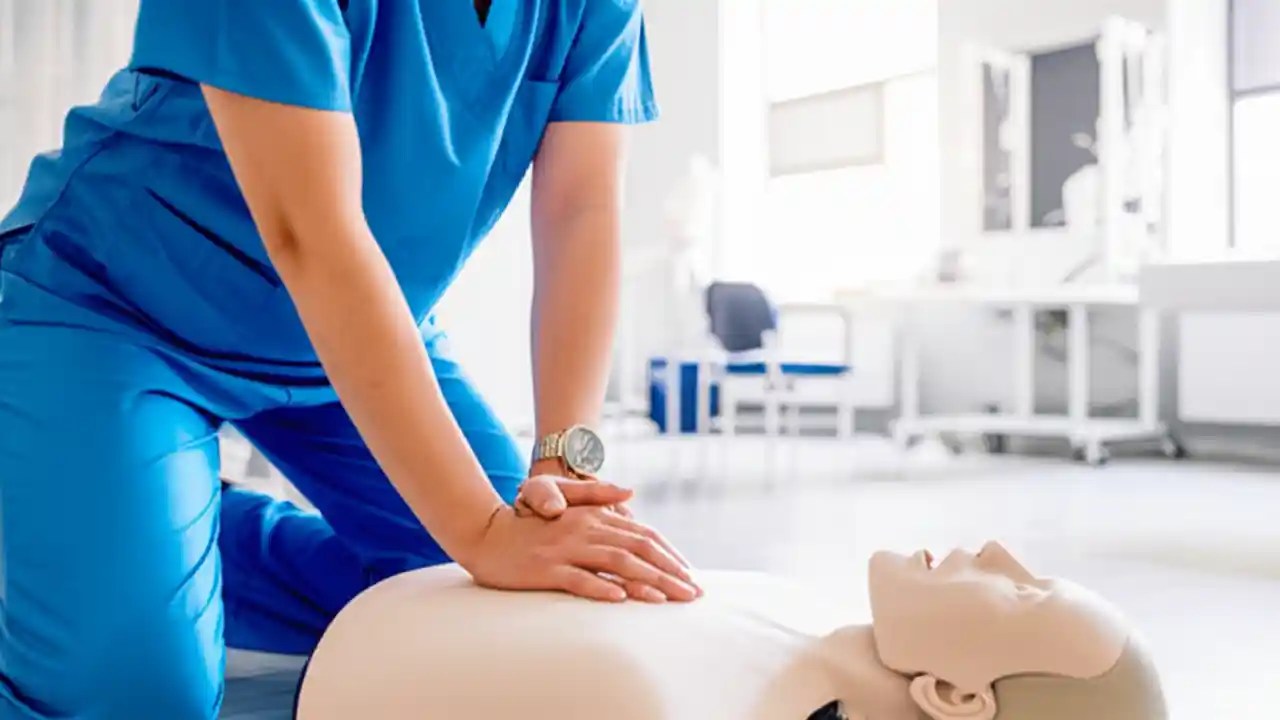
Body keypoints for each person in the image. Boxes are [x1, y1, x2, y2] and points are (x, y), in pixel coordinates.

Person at [0, 1, 699, 718]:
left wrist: (562, 467)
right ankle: (77, 523)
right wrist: (481, 532)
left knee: (523, 611)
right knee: (138, 698)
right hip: (111, 307)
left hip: (352, 338)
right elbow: (310, 234)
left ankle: (142, 529)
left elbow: (582, 210)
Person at [297, 542, 1167, 720]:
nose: (998, 550)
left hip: (341, 660)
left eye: (1023, 594)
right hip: (392, 601)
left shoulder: (651, 704)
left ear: (955, 697)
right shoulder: (789, 602)